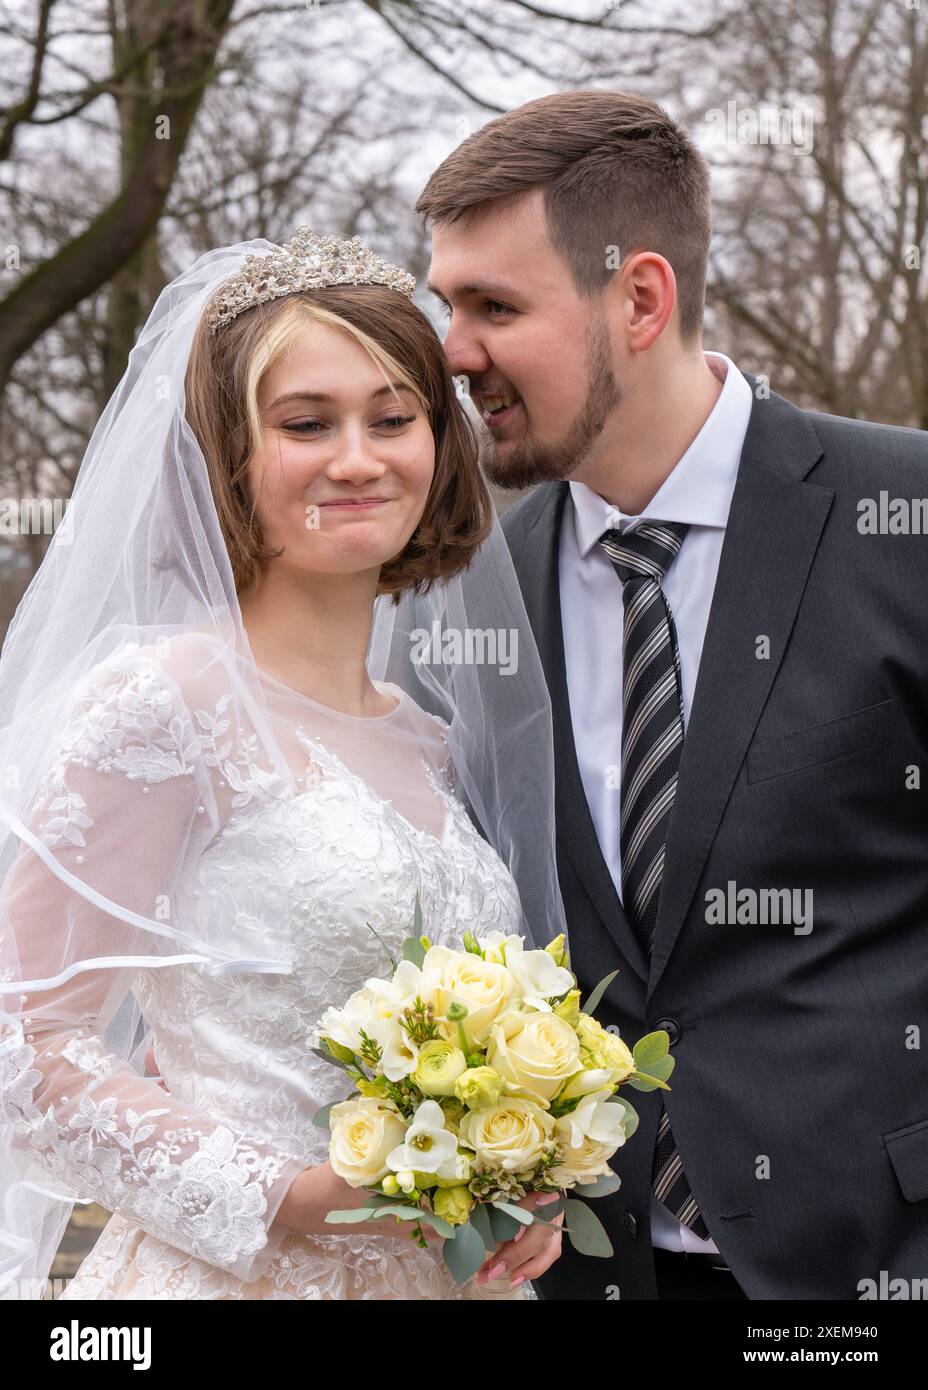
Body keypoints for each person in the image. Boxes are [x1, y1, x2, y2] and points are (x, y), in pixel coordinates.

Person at [418, 88, 928, 1300]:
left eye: (494, 304)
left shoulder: (902, 518)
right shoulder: (463, 601)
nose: (450, 349)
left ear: (639, 299)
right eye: (446, 303)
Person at [0, 228, 567, 1300]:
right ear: (229, 454)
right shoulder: (166, 703)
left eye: (393, 417)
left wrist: (514, 1186)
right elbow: (25, 1046)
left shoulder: (427, 737)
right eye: (307, 423)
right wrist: (287, 1191)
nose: (358, 458)